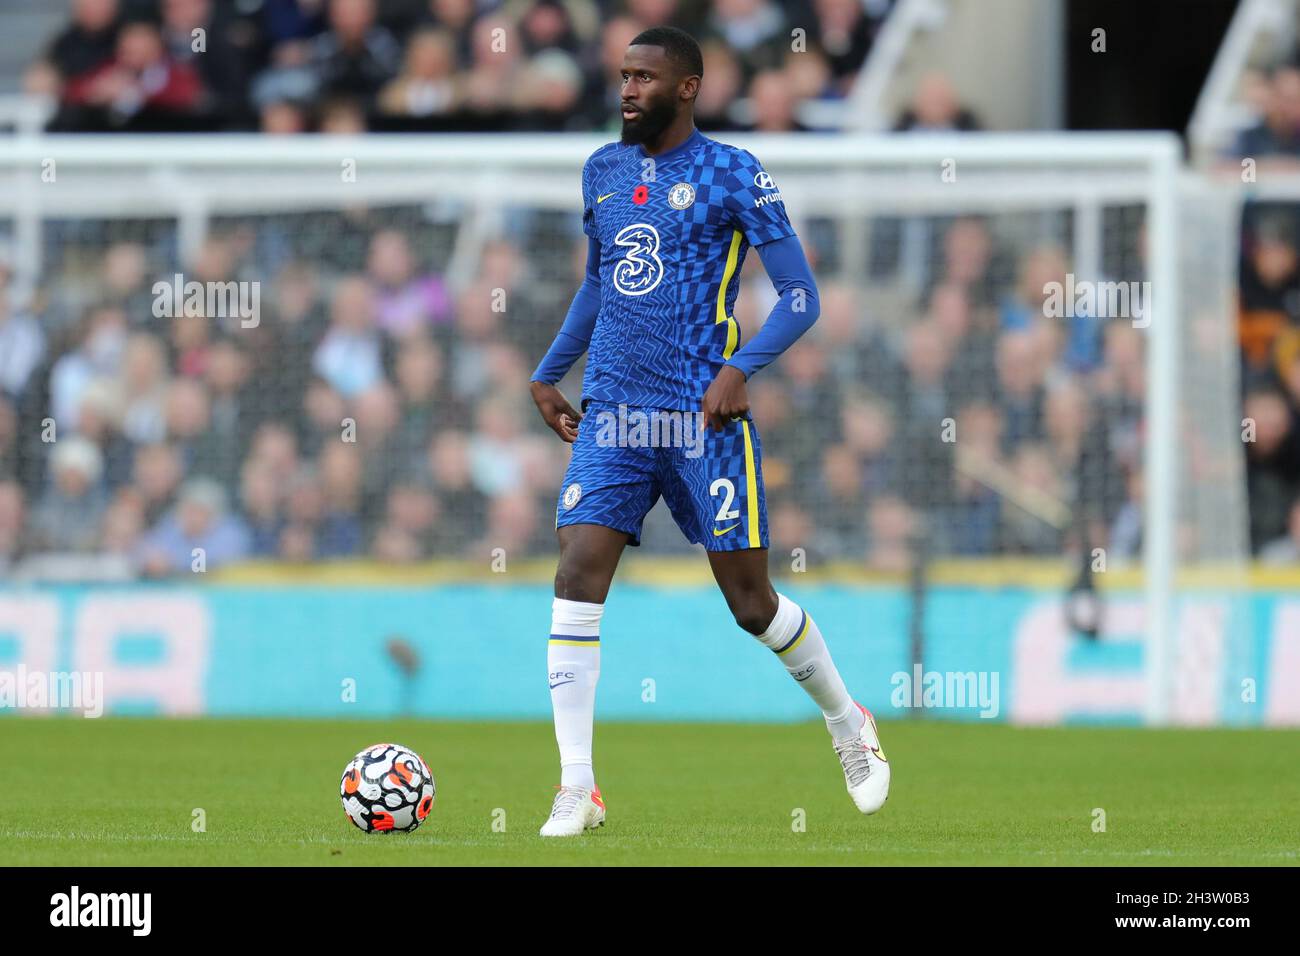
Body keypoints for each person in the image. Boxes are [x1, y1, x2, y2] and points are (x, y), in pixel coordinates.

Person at [528, 26, 888, 838]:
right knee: (577, 571)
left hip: (702, 416)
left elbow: (800, 297)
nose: (626, 90)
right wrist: (549, 371)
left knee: (750, 603)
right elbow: (599, 281)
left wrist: (742, 368)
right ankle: (577, 786)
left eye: (644, 78)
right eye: (622, 75)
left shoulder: (733, 171)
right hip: (615, 413)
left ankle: (845, 721)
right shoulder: (603, 171)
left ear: (686, 88)